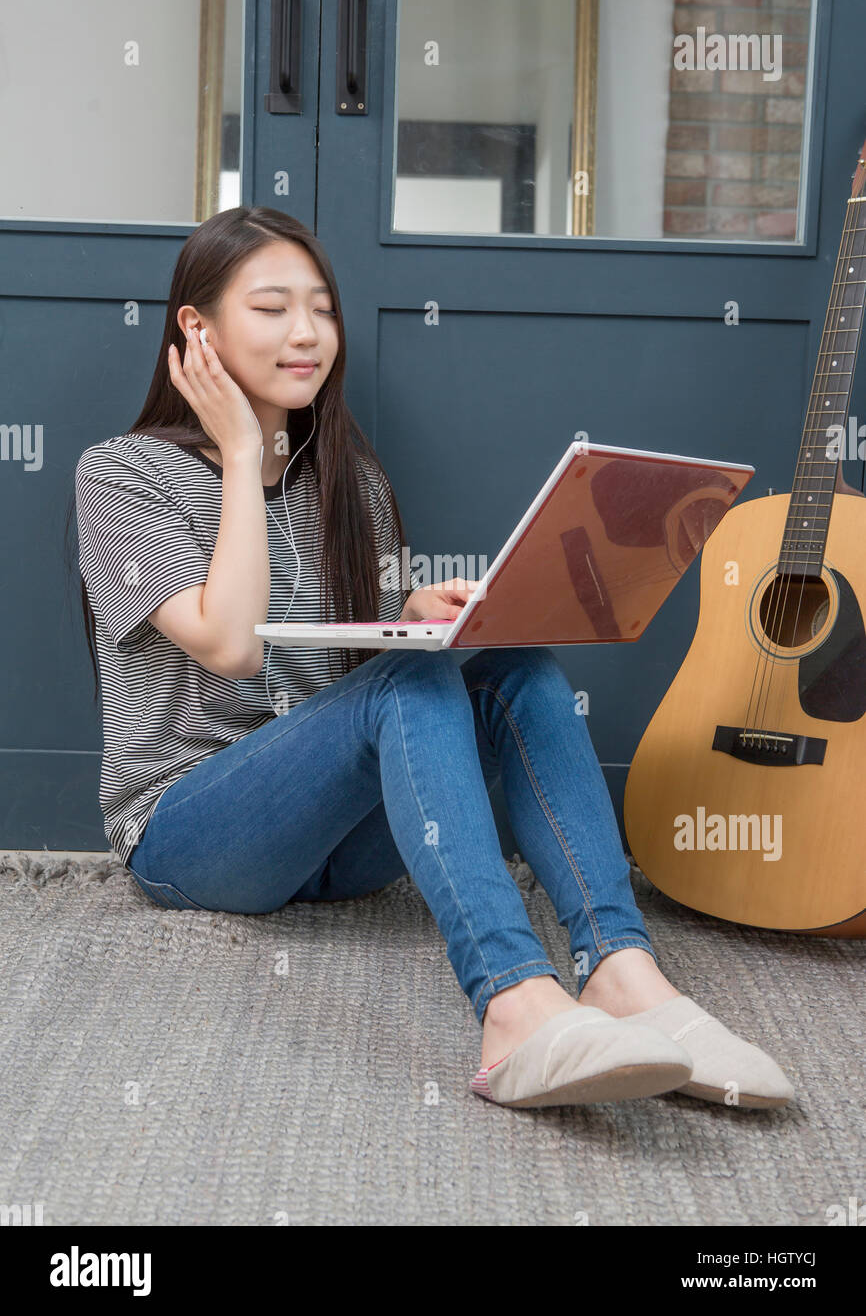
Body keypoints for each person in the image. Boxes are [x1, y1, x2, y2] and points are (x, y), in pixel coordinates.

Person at [72, 206, 794, 1112]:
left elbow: (346, 677)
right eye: (272, 309)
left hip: (328, 841)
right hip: (190, 831)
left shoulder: (352, 483)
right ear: (196, 327)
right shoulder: (121, 476)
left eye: (323, 309)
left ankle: (621, 970)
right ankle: (515, 1005)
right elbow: (231, 644)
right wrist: (243, 450)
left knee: (514, 668)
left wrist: (409, 614)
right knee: (408, 688)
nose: (307, 334)